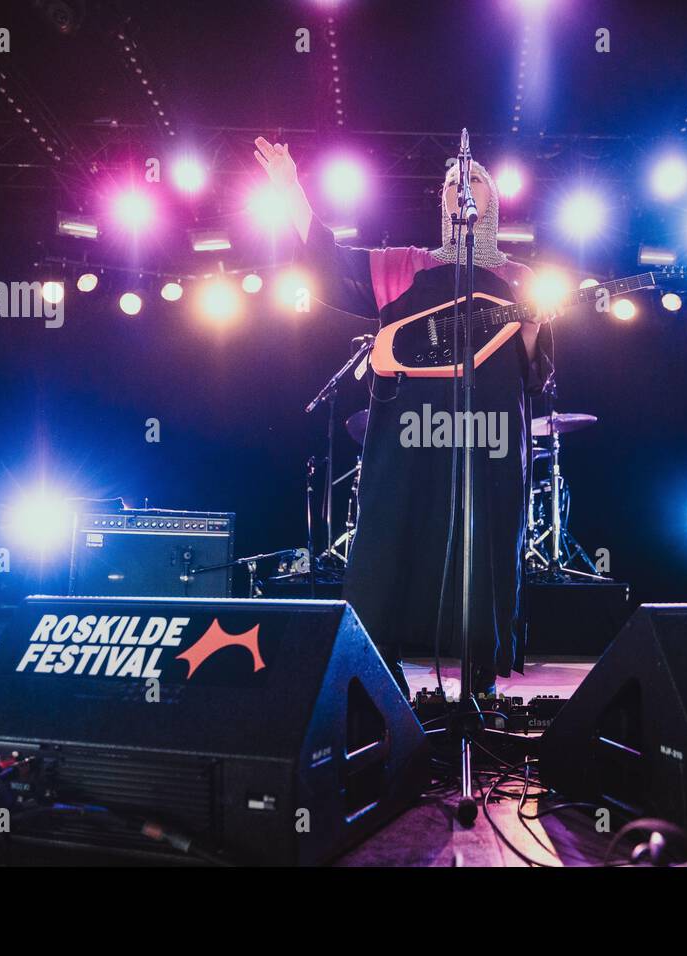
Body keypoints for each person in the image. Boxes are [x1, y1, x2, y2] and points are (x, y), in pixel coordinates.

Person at [254, 136, 554, 696]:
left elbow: (535, 373)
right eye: (446, 184)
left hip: (485, 440)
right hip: (408, 437)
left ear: (491, 201)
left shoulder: (521, 275)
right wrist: (289, 188)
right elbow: (328, 258)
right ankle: (380, 679)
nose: (456, 189)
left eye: (469, 183)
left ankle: (478, 685)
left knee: (483, 541)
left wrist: (534, 326)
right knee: (392, 535)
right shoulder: (402, 265)